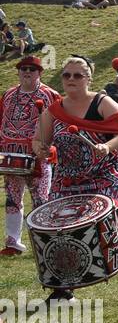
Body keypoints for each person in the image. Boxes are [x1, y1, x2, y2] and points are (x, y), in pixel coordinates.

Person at [30, 56, 118, 300]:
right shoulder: (54, 110)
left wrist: (108, 147)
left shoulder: (102, 102)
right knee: (54, 225)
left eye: (77, 75)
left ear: (89, 78)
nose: (71, 79)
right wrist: (41, 149)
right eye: (66, 75)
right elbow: (39, 140)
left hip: (106, 174)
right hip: (68, 179)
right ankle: (61, 289)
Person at [1, 56, 59, 255]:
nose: (27, 72)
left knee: (41, 199)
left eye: (32, 69)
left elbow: (60, 124)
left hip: (38, 157)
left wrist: (52, 149)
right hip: (10, 157)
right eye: (23, 68)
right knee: (12, 198)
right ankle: (12, 241)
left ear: (40, 72)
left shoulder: (50, 94)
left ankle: (42, 241)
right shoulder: (8, 94)